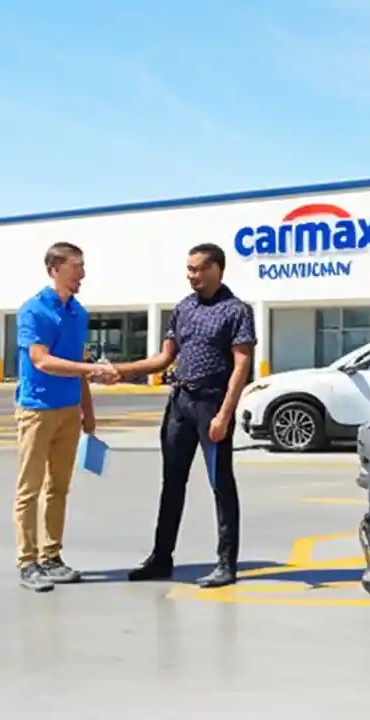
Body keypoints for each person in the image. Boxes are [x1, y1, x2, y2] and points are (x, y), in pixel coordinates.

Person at [107, 242, 256, 588]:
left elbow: (241, 366)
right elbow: (163, 359)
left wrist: (224, 415)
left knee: (221, 485)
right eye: (189, 270)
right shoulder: (184, 308)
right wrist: (121, 371)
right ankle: (161, 557)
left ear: (218, 268)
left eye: (200, 269)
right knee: (172, 484)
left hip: (212, 406)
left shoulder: (236, 311)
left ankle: (226, 563)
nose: (193, 276)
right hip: (180, 404)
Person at [13, 241, 115, 592]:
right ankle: (27, 563)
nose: (82, 274)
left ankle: (51, 557)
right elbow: (41, 360)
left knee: (59, 487)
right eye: (76, 267)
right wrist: (90, 368)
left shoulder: (78, 313)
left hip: (69, 410)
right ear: (55, 269)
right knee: (29, 488)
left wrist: (88, 411)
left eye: (83, 266)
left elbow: (77, 365)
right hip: (37, 410)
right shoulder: (32, 312)